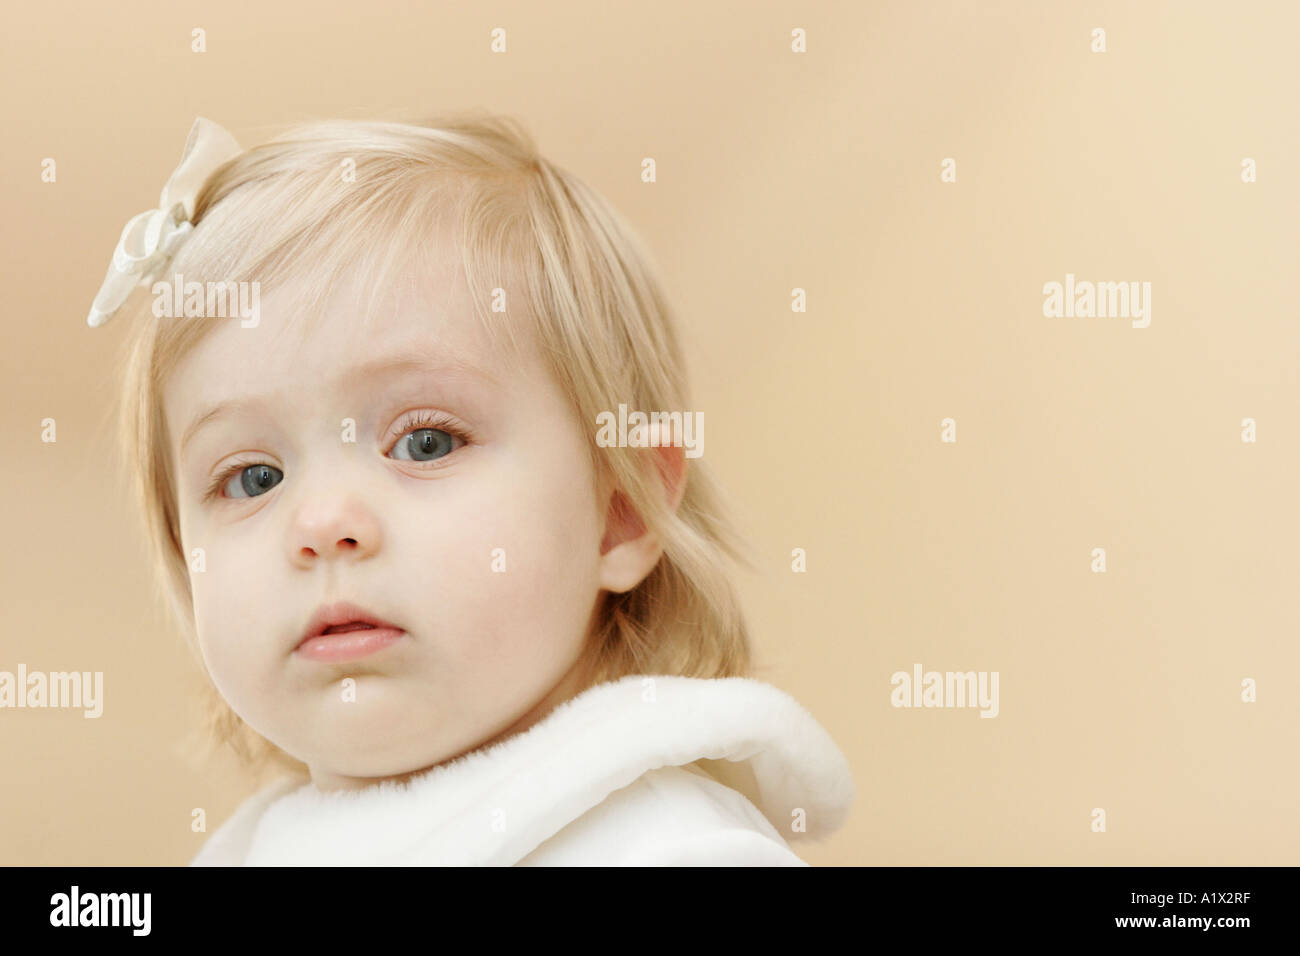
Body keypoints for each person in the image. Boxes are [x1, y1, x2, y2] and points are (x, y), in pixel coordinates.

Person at [86, 113, 854, 865]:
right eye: (253, 477)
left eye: (425, 442)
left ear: (621, 510)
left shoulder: (668, 845)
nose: (319, 523)